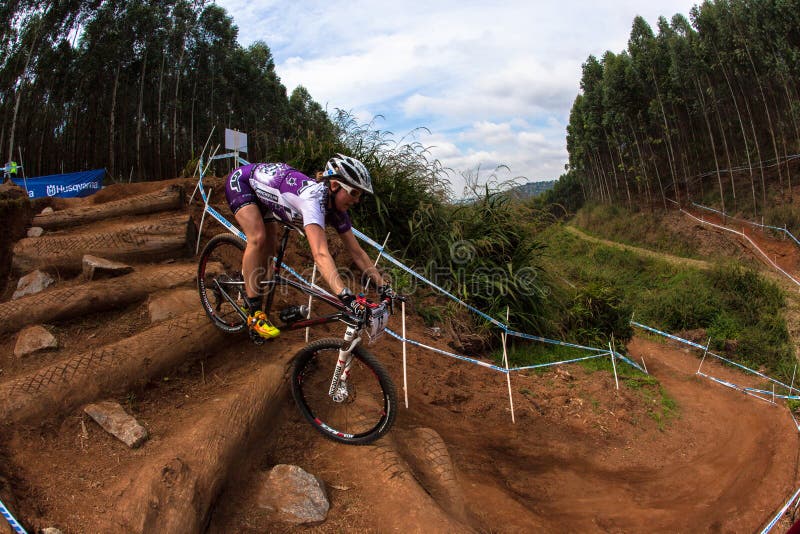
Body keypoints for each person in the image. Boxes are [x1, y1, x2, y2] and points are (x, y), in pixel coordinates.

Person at [224, 153, 395, 339]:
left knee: (270, 249)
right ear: (334, 185)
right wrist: (345, 296)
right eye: (354, 193)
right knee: (258, 238)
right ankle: (253, 312)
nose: (356, 200)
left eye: (360, 195)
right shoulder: (313, 200)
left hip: (267, 193)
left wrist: (383, 286)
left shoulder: (336, 209)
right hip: (243, 183)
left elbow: (357, 252)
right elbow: (320, 254)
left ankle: (248, 295)